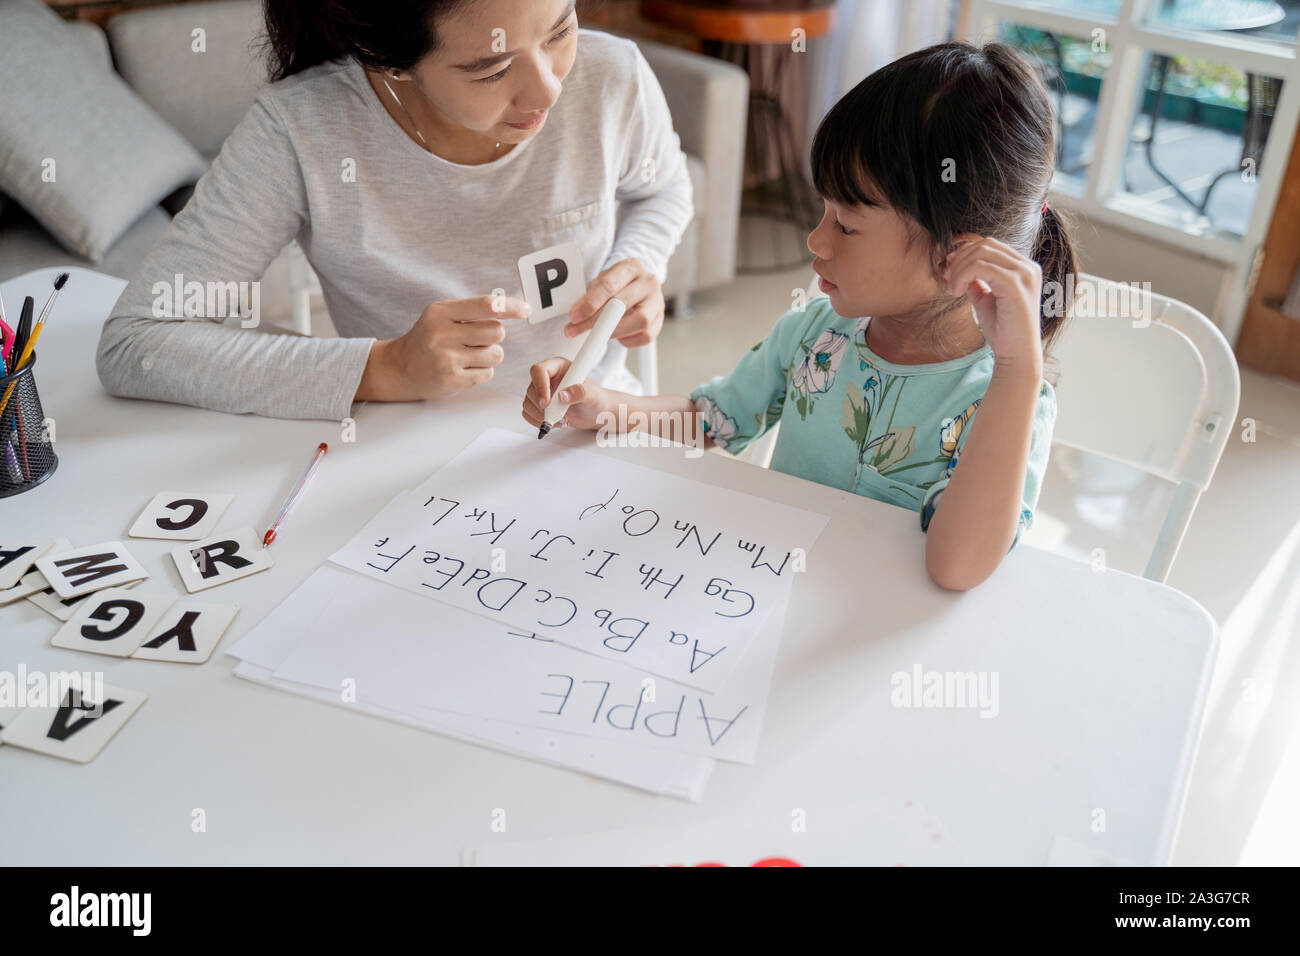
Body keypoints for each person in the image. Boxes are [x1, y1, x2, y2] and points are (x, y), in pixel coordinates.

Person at [523, 42, 1075, 591]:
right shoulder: (816, 335)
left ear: (954, 252)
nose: (816, 240)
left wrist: (1018, 368)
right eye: (824, 211)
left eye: (847, 224)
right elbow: (711, 419)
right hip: (765, 606)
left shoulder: (1009, 402)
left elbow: (955, 569)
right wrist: (609, 407)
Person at [97, 0, 693, 420]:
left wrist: (640, 263)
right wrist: (384, 370)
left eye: (560, 31)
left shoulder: (612, 76)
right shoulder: (301, 131)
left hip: (591, 420)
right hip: (402, 454)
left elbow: (663, 189)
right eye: (492, 68)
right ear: (387, 61)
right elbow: (138, 344)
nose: (548, 92)